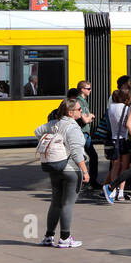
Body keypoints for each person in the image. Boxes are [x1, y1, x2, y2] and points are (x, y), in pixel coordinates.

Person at [35, 96, 89, 248]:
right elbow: (77, 153)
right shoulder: (73, 128)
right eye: (79, 109)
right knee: (67, 204)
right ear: (71, 113)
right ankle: (65, 238)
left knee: (56, 202)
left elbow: (37, 131)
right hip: (71, 169)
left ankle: (48, 236)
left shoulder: (54, 124)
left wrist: (54, 145)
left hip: (55, 167)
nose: (81, 111)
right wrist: (85, 172)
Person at [70, 81, 101, 191]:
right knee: (86, 157)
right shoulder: (79, 101)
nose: (90, 90)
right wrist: (90, 117)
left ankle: (88, 181)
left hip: (85, 133)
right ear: (82, 89)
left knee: (86, 157)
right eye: (88, 89)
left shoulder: (83, 101)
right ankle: (89, 181)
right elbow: (84, 119)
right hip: (82, 133)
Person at [105, 84, 131, 198]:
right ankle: (121, 191)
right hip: (124, 139)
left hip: (113, 139)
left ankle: (113, 190)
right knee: (124, 166)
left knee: (115, 166)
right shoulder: (126, 108)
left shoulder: (110, 107)